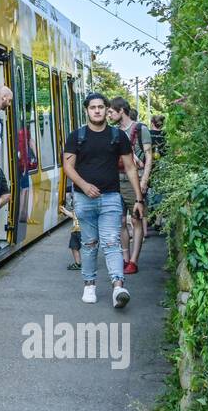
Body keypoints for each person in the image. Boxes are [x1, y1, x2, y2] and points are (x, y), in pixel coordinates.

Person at [63, 93, 144, 308]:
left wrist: (138, 198)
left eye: (101, 107)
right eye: (93, 107)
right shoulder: (76, 136)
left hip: (110, 198)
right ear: (86, 110)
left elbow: (130, 168)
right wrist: (84, 185)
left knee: (111, 242)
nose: (97, 111)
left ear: (107, 110)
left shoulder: (118, 136)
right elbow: (68, 167)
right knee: (89, 244)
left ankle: (118, 287)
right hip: (83, 199)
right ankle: (89, 285)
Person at [107, 97, 152, 275]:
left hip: (134, 179)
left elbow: (148, 157)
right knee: (120, 221)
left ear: (121, 111)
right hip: (116, 179)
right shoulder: (113, 132)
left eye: (111, 111)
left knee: (135, 219)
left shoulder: (141, 129)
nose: (108, 114)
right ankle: (125, 259)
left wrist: (144, 181)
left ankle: (134, 260)